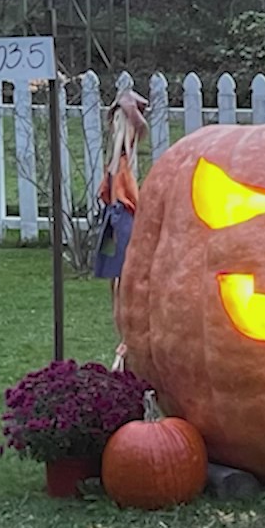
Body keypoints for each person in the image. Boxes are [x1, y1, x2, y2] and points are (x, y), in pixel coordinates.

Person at [93, 87, 149, 368]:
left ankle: (125, 346)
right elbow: (129, 199)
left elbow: (108, 193)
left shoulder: (118, 165)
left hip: (119, 224)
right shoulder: (121, 165)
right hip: (121, 224)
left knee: (121, 285)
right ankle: (124, 346)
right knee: (122, 285)